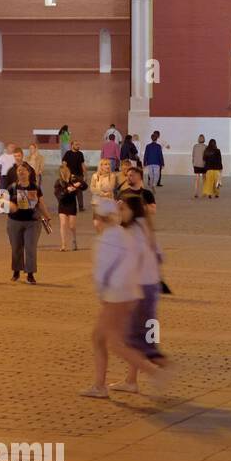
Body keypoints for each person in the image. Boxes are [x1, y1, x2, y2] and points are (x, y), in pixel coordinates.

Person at [81, 196, 163, 400]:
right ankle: (120, 382)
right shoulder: (124, 234)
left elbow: (101, 272)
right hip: (131, 291)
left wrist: (101, 293)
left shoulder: (104, 240)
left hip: (115, 294)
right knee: (104, 338)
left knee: (114, 342)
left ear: (101, 218)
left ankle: (153, 373)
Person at [5, 162, 50, 283]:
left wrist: (47, 216)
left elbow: (40, 203)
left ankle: (30, 274)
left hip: (32, 222)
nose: (21, 172)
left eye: (24, 170)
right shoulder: (12, 187)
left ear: (29, 173)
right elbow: (2, 203)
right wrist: (9, 204)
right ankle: (16, 271)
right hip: (14, 221)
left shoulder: (35, 187)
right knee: (16, 248)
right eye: (19, 170)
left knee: (30, 248)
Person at [53, 161, 86, 250]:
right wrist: (67, 190)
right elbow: (58, 195)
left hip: (72, 204)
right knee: (63, 224)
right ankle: (63, 245)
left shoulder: (73, 180)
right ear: (60, 174)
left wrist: (79, 181)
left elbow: (84, 186)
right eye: (63, 173)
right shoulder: (58, 182)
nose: (65, 174)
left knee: (72, 226)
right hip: (63, 205)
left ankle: (74, 240)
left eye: (66, 172)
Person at [63, 139, 88, 210]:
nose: (78, 146)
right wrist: (65, 174)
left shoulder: (80, 154)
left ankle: (81, 207)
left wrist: (85, 175)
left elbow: (82, 165)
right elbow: (64, 164)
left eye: (78, 144)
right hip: (69, 176)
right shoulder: (68, 153)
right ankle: (69, 206)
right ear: (72, 146)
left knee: (79, 192)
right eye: (76, 145)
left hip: (79, 175)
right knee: (69, 191)